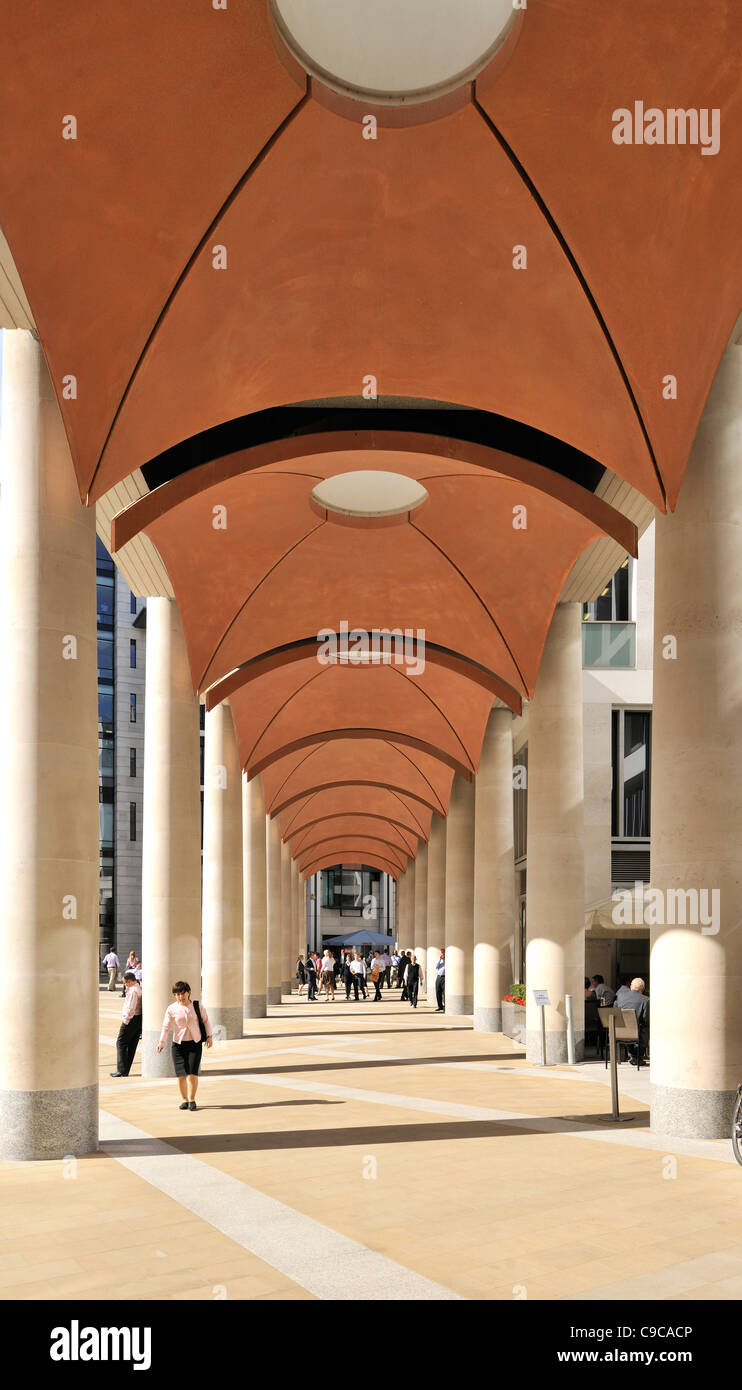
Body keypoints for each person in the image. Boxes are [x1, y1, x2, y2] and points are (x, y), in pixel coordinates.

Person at [156, 980, 213, 1110]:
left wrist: (209, 1036)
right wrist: (161, 1042)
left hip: (195, 1043)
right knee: (181, 1075)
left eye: (182, 993)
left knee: (192, 1073)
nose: (180, 997)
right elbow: (165, 1026)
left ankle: (192, 1100)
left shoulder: (198, 1006)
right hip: (178, 1045)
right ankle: (184, 1100)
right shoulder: (171, 1008)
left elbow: (206, 1021)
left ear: (188, 993)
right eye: (177, 994)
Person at [110, 970, 142, 1077]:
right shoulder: (138, 989)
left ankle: (121, 1070)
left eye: (125, 983)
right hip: (138, 1020)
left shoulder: (133, 991)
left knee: (121, 1043)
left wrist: (126, 1020)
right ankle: (125, 1070)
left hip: (131, 1019)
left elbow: (131, 1007)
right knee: (132, 1045)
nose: (124, 985)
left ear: (129, 981)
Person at [617, 977, 650, 1067]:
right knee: (645, 1028)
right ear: (642, 989)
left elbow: (615, 1012)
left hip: (619, 1032)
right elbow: (646, 1019)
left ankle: (632, 1055)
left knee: (634, 1029)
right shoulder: (645, 1000)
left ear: (631, 986)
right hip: (635, 1033)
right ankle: (638, 1057)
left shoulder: (620, 997)